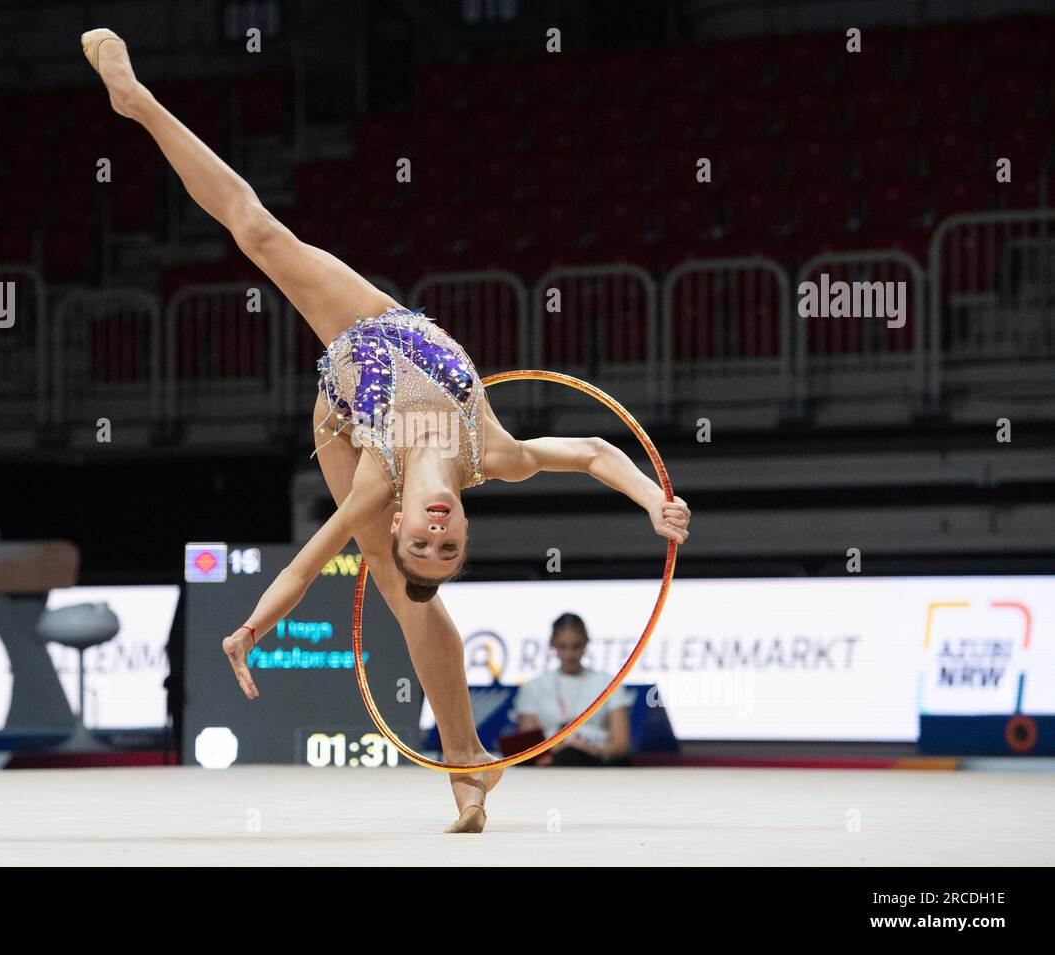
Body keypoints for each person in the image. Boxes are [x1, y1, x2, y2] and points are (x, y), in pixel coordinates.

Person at [80, 30, 691, 831]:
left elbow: (303, 566)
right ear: (463, 527)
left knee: (388, 578)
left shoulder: (378, 489)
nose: (435, 532)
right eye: (448, 544)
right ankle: (137, 101)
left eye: (421, 541)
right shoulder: (494, 455)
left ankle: (461, 758)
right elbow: (595, 450)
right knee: (261, 233)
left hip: (344, 407)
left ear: (402, 522)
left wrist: (251, 629)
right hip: (382, 324)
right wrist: (652, 502)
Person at [514, 613, 634, 767]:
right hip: (552, 761)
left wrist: (592, 750)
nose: (570, 654)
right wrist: (557, 749)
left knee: (572, 755)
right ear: (552, 644)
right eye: (563, 646)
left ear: (586, 643)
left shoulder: (609, 683)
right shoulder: (534, 686)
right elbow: (527, 745)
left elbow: (621, 745)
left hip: (596, 761)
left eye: (576, 646)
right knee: (566, 756)